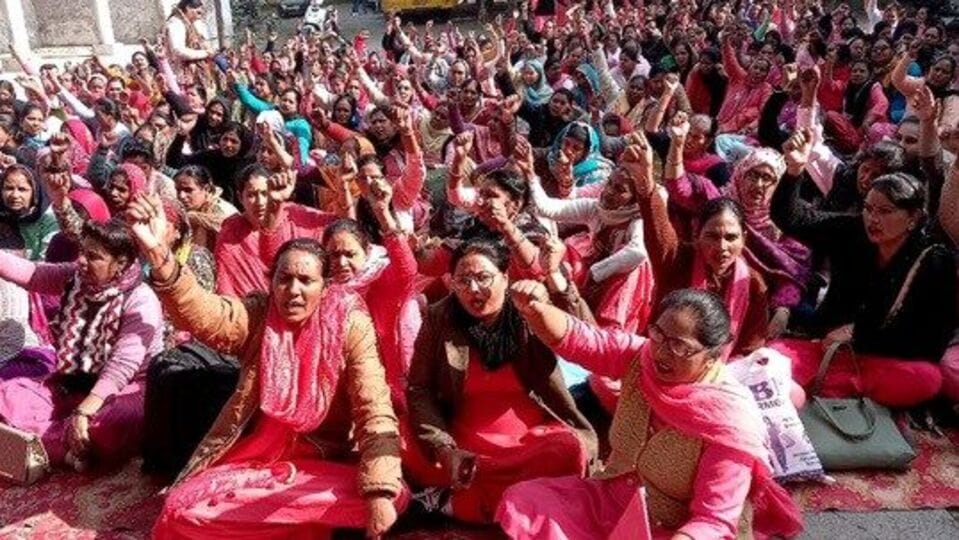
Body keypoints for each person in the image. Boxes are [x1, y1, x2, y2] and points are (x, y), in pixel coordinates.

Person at [124, 197, 406, 538]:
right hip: (256, 464)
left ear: (325, 286)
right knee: (180, 512)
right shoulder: (260, 314)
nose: (294, 291)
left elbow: (374, 408)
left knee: (393, 495)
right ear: (271, 283)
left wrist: (379, 491)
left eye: (306, 280)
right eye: (284, 279)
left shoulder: (350, 324)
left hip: (323, 464)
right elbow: (206, 314)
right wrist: (159, 255)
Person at [496, 287, 803, 539]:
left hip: (672, 530)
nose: (661, 352)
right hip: (609, 502)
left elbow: (714, 520)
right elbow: (584, 340)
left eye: (680, 346)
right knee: (524, 501)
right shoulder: (641, 358)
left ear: (712, 356)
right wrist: (536, 308)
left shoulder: (731, 424)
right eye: (658, 334)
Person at [405, 239, 597, 524]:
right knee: (400, 436)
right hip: (463, 439)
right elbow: (419, 388)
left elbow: (590, 342)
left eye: (483, 277)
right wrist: (444, 449)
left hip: (530, 441)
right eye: (463, 281)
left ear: (505, 278)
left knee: (568, 448)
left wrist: (555, 280)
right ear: (452, 283)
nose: (473, 289)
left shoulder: (527, 308)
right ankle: (520, 505)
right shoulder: (439, 317)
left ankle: (458, 504)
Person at [770, 129, 955, 408]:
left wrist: (860, 335)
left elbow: (929, 345)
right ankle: (829, 387)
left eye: (885, 211)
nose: (872, 219)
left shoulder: (935, 261)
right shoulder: (852, 231)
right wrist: (794, 170)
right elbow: (793, 218)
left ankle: (823, 387)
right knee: (772, 357)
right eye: (869, 209)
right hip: (829, 350)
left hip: (884, 361)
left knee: (926, 378)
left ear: (913, 218)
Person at [0, 218, 163, 471]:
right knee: (6, 394)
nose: (82, 261)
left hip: (126, 388)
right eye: (82, 253)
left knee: (108, 424)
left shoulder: (141, 300)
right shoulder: (75, 278)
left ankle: (42, 444)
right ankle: (62, 449)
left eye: (94, 256)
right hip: (76, 382)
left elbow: (122, 367)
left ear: (120, 263)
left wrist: (84, 412)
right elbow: (33, 274)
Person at [0, 164, 58, 260]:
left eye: (22, 189)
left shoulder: (49, 219)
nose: (15, 195)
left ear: (34, 192)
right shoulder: (3, 214)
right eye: (9, 188)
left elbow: (46, 261)